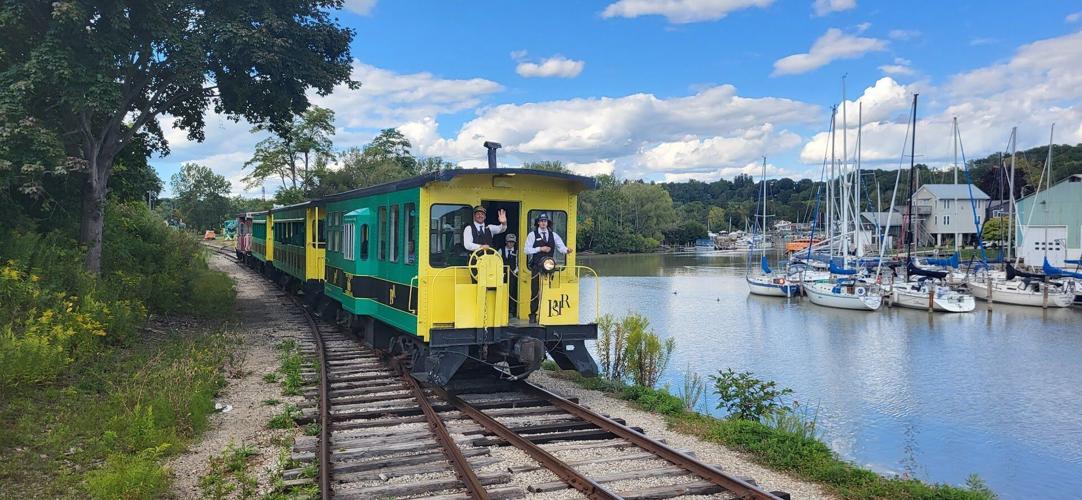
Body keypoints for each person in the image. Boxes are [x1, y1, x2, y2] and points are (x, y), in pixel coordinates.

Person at [524, 213, 572, 322]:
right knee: (535, 291)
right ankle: (533, 315)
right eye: (541, 221)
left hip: (549, 268)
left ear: (547, 222)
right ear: (538, 223)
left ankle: (547, 313)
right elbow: (526, 250)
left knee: (547, 290)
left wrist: (567, 250)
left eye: (545, 221)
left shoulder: (553, 235)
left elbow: (561, 247)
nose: (543, 223)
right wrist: (540, 249)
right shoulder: (532, 235)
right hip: (536, 267)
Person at [502, 233, 518, 316]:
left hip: (513, 275)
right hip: (502, 275)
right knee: (503, 291)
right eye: (509, 242)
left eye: (513, 242)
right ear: (506, 242)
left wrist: (515, 272)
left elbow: (518, 263)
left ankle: (511, 311)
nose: (511, 244)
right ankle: (503, 309)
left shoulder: (517, 252)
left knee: (512, 292)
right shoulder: (500, 250)